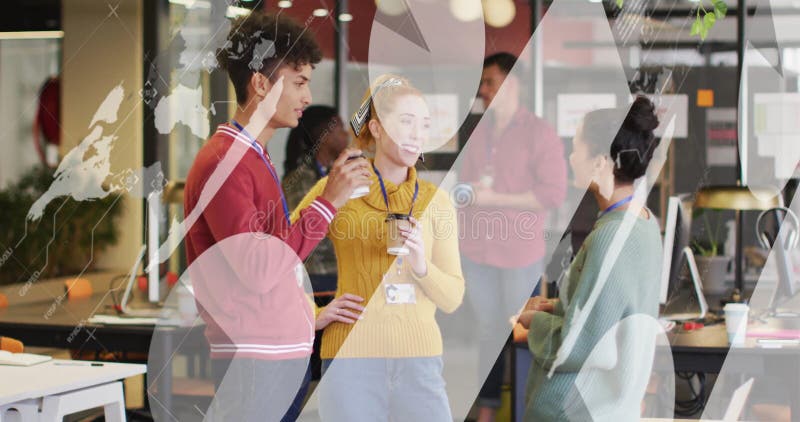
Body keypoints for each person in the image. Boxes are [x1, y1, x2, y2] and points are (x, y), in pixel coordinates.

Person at [183, 12, 371, 421]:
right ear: (261, 84)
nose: (307, 97)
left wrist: (309, 316)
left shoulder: (253, 156)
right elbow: (258, 268)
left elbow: (276, 260)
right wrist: (328, 201)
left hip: (274, 354)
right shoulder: (226, 161)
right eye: (299, 82)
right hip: (254, 360)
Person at [292, 75, 465, 421]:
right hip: (350, 360)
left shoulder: (437, 201)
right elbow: (280, 255)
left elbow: (453, 297)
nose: (418, 134)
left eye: (424, 124)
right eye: (406, 122)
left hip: (420, 361)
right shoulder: (338, 186)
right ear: (377, 127)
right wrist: (310, 315)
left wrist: (421, 267)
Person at [517, 96, 663, 420]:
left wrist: (533, 321)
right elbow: (609, 313)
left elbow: (581, 345)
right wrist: (557, 307)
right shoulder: (645, 224)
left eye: (575, 148)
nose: (569, 158)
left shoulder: (610, 237)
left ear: (599, 161)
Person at [458, 51, 567, 421]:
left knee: (524, 334)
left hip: (520, 252)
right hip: (476, 250)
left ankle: (527, 409)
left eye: (489, 82)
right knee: (487, 333)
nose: (483, 91)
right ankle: (487, 411)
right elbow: (466, 187)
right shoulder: (476, 133)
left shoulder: (539, 132)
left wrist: (494, 198)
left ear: (512, 83)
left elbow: (552, 193)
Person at [282, 105, 349, 298]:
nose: (347, 136)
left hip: (334, 274)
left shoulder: (329, 174)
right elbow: (309, 229)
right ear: (325, 136)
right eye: (341, 129)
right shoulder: (301, 178)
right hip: (316, 277)